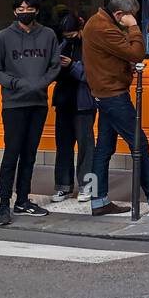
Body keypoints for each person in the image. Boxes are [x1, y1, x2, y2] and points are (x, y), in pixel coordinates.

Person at [83, 0, 149, 217]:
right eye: (131, 16)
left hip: (104, 92)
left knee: (104, 148)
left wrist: (123, 66)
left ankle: (98, 201)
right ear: (119, 14)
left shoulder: (98, 22)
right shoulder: (103, 27)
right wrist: (133, 27)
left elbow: (111, 56)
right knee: (139, 144)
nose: (133, 19)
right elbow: (138, 53)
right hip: (113, 95)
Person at [0, 0, 61, 224]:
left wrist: (41, 83)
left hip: (38, 103)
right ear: (14, 11)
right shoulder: (3, 37)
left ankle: (22, 200)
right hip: (13, 104)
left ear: (37, 10)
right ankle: (3, 204)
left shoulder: (48, 35)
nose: (25, 12)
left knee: (29, 155)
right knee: (11, 154)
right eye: (21, 9)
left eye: (29, 9)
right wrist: (16, 84)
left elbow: (55, 65)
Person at [51, 14, 94, 202]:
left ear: (80, 30)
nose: (69, 38)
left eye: (72, 34)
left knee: (86, 147)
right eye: (65, 35)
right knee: (63, 146)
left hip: (83, 102)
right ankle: (63, 186)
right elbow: (51, 71)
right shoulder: (61, 45)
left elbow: (92, 76)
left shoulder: (90, 46)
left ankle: (88, 186)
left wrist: (72, 66)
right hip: (63, 101)